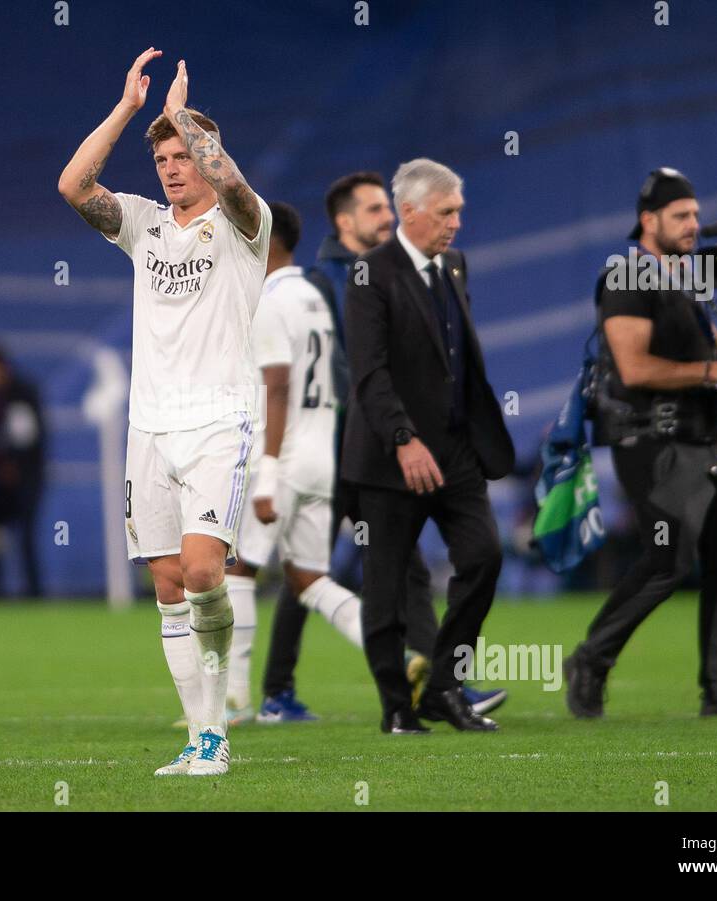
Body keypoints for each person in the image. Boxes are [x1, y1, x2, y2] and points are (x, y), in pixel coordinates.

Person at [58, 50, 271, 776]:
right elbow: (73, 185)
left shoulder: (247, 227)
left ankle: (217, 724)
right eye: (165, 158)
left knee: (207, 571)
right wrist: (128, 110)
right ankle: (205, 737)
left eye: (183, 154)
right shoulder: (145, 225)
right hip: (148, 429)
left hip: (219, 422)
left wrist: (183, 114)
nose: (174, 167)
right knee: (169, 585)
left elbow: (234, 182)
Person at [258, 170, 505, 722]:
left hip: (410, 443)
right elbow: (353, 366)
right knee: (313, 569)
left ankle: (439, 682)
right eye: (374, 210)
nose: (385, 217)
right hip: (346, 446)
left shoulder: (443, 266)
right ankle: (282, 688)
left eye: (385, 209)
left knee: (423, 569)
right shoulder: (323, 281)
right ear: (345, 221)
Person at [565, 167, 717, 717]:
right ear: (648, 221)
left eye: (695, 214)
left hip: (705, 437)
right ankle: (591, 660)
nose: (694, 224)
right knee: (669, 558)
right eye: (680, 216)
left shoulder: (684, 279)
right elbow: (635, 367)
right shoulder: (626, 276)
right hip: (652, 441)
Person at [342, 158, 515, 734]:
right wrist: (403, 439)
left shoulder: (456, 266)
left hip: (456, 451)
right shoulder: (370, 273)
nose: (456, 223)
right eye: (446, 212)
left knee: (484, 556)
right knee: (387, 588)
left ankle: (443, 686)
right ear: (409, 212)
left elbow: (455, 361)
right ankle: (396, 707)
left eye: (458, 212)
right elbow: (370, 372)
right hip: (391, 460)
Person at [221, 202, 365, 724]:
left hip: (279, 457)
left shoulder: (269, 301)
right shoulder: (312, 295)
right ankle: (402, 660)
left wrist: (267, 472)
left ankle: (232, 702)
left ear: (267, 239)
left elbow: (276, 387)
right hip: (320, 456)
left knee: (237, 569)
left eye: (245, 230)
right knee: (310, 579)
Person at [0, 342, 46, 598]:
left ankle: (33, 594)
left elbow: (31, 437)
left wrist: (16, 466)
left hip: (26, 479)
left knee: (25, 537)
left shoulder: (22, 393)